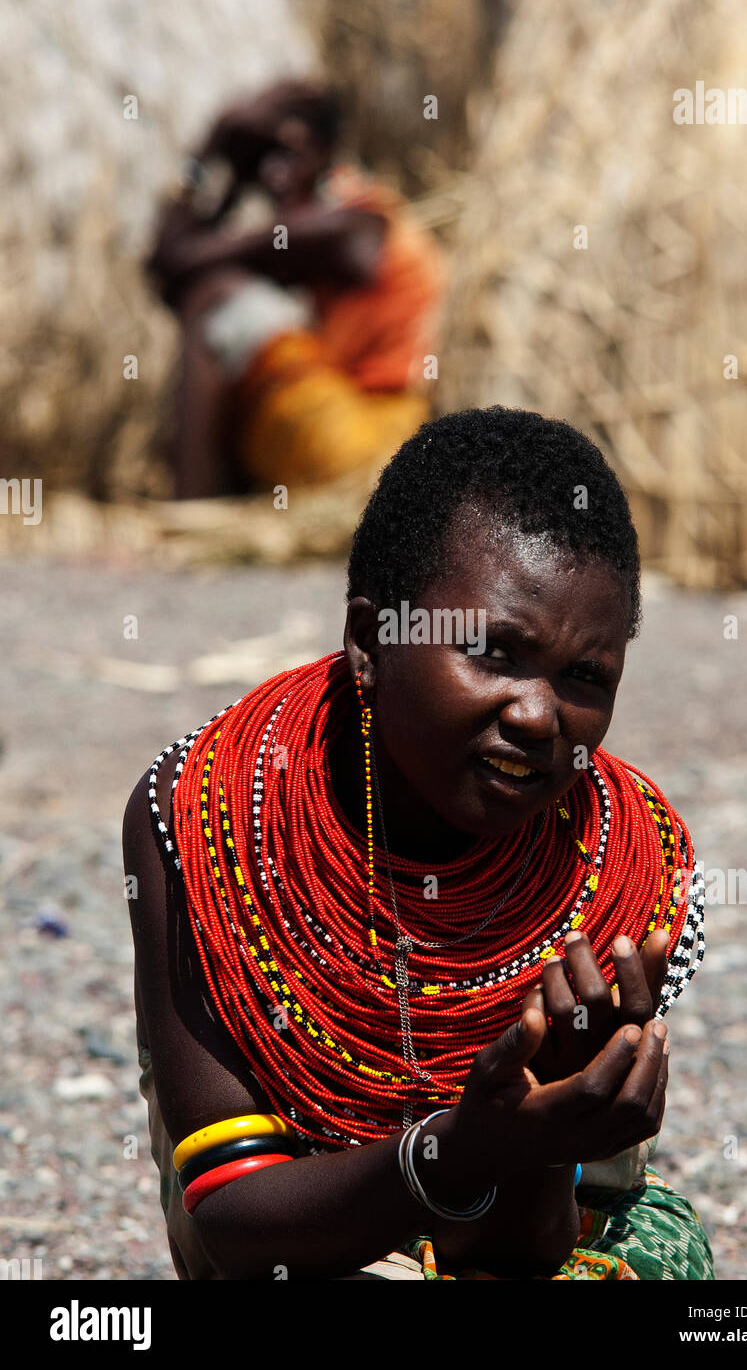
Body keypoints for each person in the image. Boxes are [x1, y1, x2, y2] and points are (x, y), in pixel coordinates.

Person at [123, 406, 712, 1280]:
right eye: (492, 652)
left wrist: (533, 1145)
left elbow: (526, 1254)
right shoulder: (207, 816)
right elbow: (233, 1220)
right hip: (298, 1239)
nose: (538, 715)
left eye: (585, 677)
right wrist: (457, 1149)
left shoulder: (625, 873)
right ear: (371, 641)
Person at [147, 80, 444, 499]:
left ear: (327, 152)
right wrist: (231, 172)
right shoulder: (321, 227)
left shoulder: (350, 221)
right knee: (224, 308)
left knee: (213, 296)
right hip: (357, 438)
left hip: (371, 442)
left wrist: (212, 151)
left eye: (288, 152)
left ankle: (188, 505)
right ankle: (206, 503)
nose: (273, 173)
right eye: (261, 158)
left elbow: (175, 262)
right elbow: (169, 277)